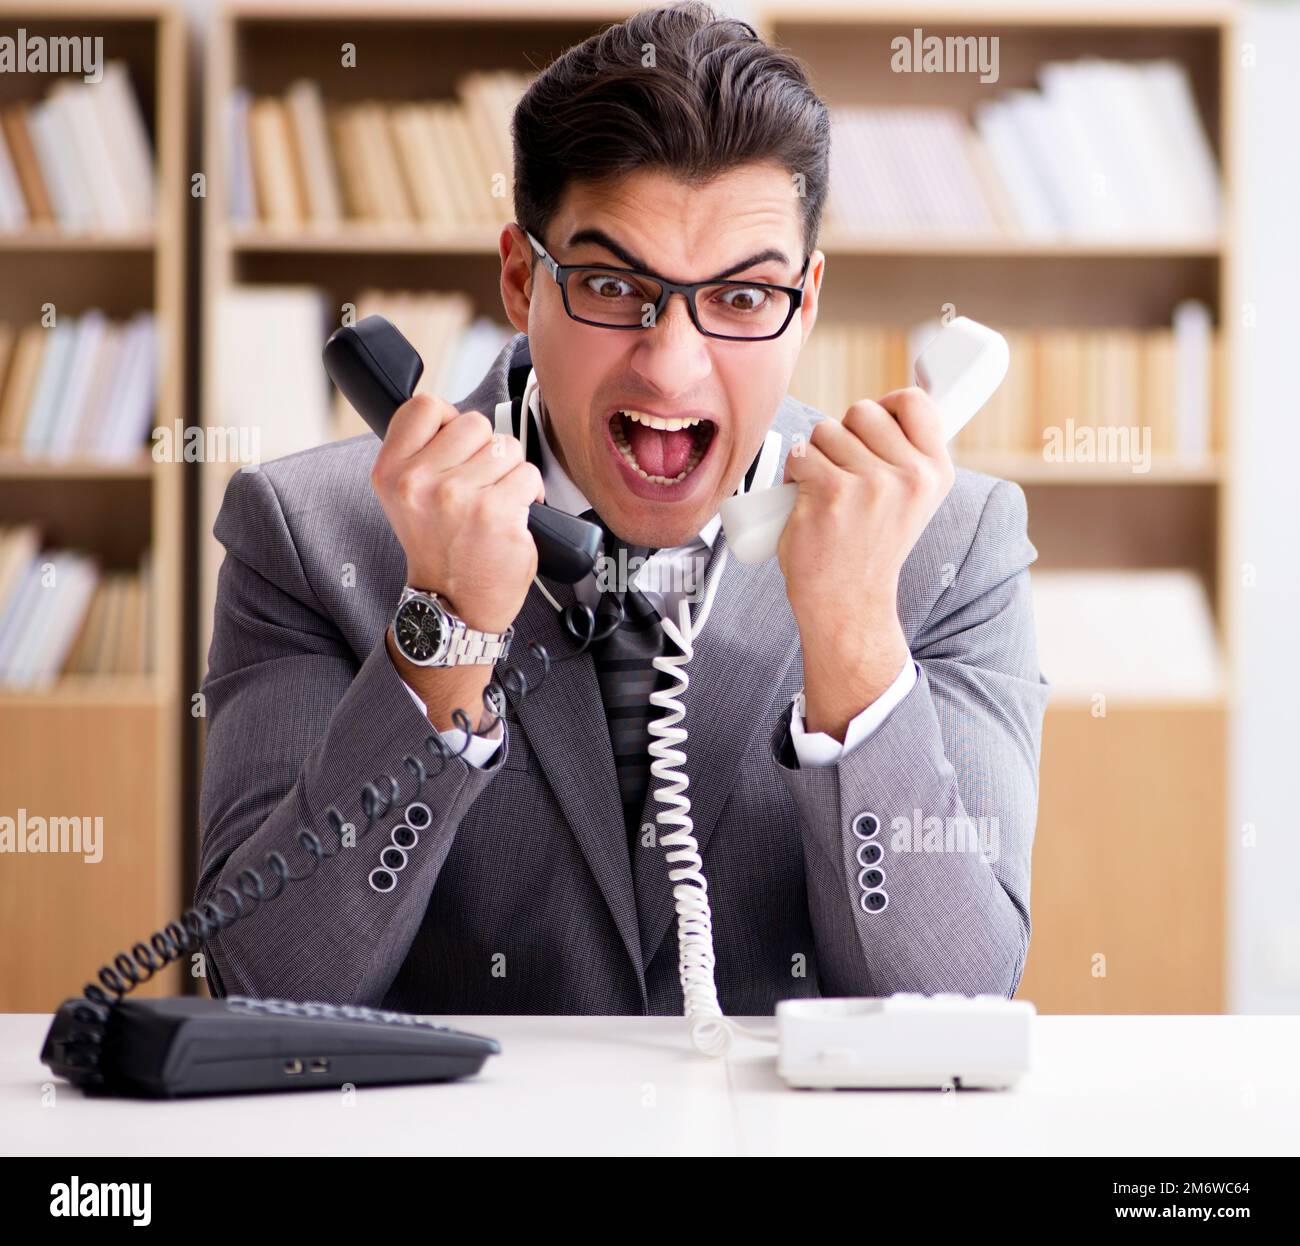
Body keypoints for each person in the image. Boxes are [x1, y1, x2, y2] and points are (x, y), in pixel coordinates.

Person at [196, 1, 1050, 1015]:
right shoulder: (304, 533)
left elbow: (956, 999)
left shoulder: (950, 548)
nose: (673, 363)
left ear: (805, 304)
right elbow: (260, 986)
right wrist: (443, 634)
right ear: (521, 279)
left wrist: (858, 632)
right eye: (610, 283)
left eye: (740, 298)